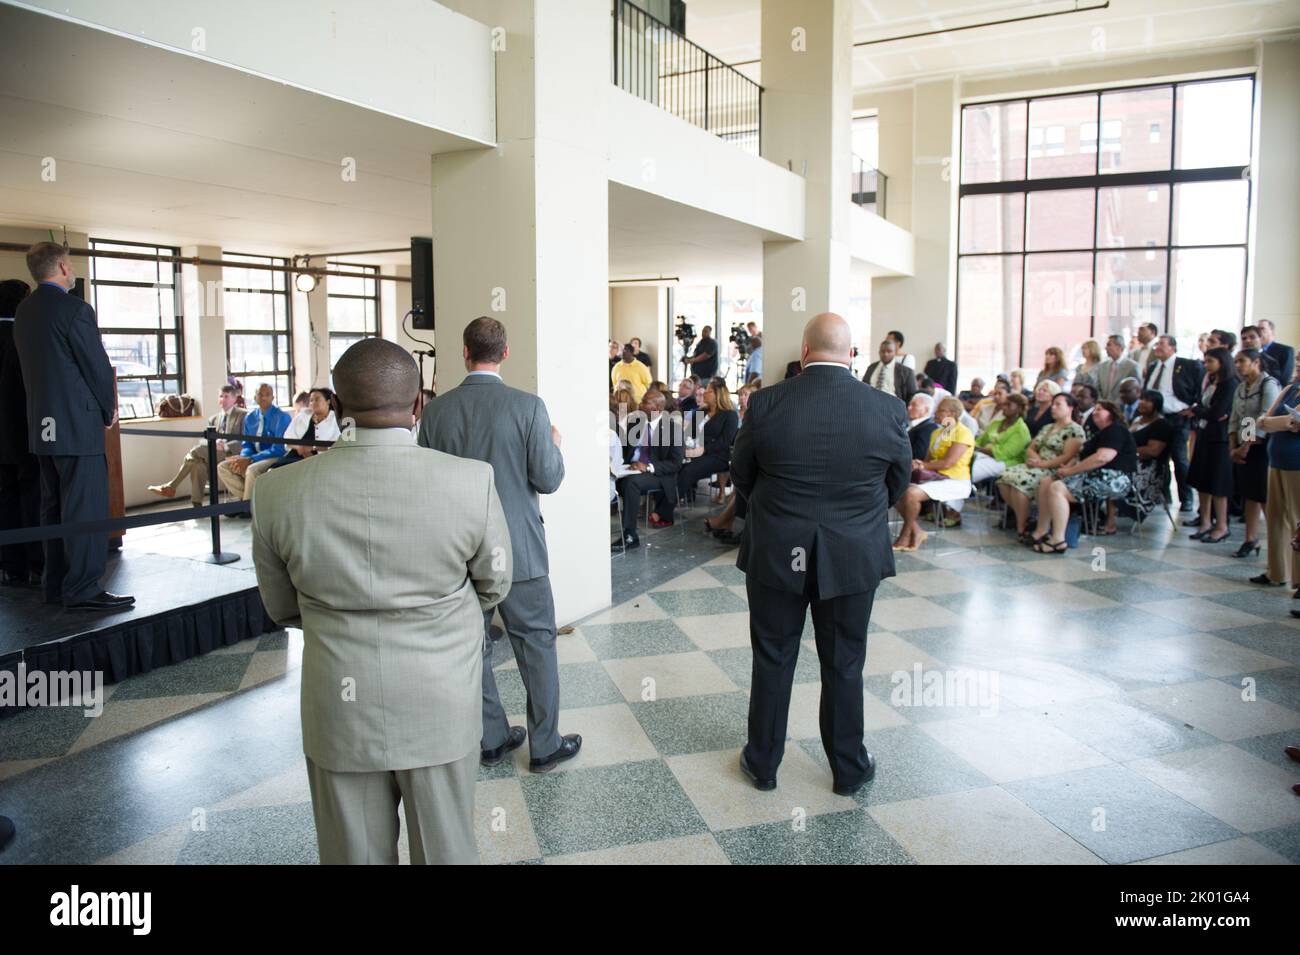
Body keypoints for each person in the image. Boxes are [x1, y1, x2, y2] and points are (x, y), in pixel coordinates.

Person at [252, 338, 510, 864]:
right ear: (419, 405)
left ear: (338, 407)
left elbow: (282, 606)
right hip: (438, 703)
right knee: (447, 853)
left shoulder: (277, 492)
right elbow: (494, 584)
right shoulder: (470, 481)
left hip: (338, 709)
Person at [731, 312, 910, 796]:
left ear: (805, 352)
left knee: (772, 656)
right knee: (845, 661)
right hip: (852, 555)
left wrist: (774, 513)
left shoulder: (765, 404)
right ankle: (848, 769)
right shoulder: (888, 409)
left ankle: (763, 763)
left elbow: (742, 476)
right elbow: (897, 483)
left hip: (777, 553)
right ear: (852, 354)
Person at [419, 317, 580, 773]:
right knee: (537, 644)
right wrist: (555, 445)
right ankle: (545, 745)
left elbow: (428, 482)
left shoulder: (436, 412)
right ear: (505, 353)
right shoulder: (529, 407)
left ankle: (491, 738)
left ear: (464, 353)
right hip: (519, 550)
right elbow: (547, 479)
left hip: (457, 551)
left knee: (473, 647)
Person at [13, 243, 132, 612]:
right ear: (63, 267)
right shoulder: (75, 309)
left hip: (42, 425)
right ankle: (82, 588)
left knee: (53, 506)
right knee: (85, 508)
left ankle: (55, 583)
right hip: (76, 426)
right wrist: (108, 408)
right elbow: (95, 365)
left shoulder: (25, 309)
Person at [1029, 400, 1137, 548]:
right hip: (1096, 475)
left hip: (1115, 479)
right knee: (1047, 481)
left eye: (1100, 409)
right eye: (1095, 409)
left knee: (1057, 488)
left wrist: (1070, 471)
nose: (1095, 412)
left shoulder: (1116, 430)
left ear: (1111, 414)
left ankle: (1057, 540)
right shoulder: (1101, 433)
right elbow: (1081, 456)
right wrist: (1068, 467)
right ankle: (1041, 530)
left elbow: (1102, 458)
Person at [0, 278, 43, 587]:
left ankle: (10, 565)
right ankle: (37, 563)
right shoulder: (23, 337)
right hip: (23, 432)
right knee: (33, 496)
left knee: (5, 500)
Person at [997, 393, 1085, 539]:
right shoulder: (1048, 427)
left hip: (1054, 467)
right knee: (1004, 477)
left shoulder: (1074, 430)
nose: (1054, 408)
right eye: (1053, 404)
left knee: (1019, 484)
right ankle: (1025, 519)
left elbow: (1068, 456)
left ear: (1070, 408)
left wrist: (1044, 464)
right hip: (1036, 463)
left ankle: (1022, 526)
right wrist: (1037, 460)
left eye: (1058, 405)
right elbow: (1031, 447)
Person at [894, 396, 974, 549]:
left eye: (940, 410)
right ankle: (916, 531)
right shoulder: (938, 433)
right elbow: (929, 460)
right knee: (895, 490)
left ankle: (906, 534)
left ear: (951, 413)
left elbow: (948, 462)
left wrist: (921, 465)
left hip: (955, 480)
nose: (935, 413)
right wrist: (920, 464)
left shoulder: (963, 433)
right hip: (936, 478)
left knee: (910, 494)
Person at [658, 377, 738, 525]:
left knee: (688, 470)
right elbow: (688, 433)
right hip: (693, 451)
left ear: (716, 394)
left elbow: (725, 441)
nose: (703, 393)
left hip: (716, 456)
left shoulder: (730, 415)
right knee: (673, 466)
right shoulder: (701, 411)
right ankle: (661, 507)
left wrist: (703, 449)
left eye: (708, 391)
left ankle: (664, 512)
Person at [148, 384, 247, 503]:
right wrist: (214, 443)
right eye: (221, 396)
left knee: (196, 451)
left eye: (226, 396)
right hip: (213, 453)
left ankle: (172, 486)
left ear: (234, 398)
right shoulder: (214, 419)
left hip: (231, 453)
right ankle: (197, 505)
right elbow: (206, 439)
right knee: (196, 464)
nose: (223, 400)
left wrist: (225, 446)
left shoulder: (242, 415)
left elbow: (244, 440)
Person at [1141, 334, 1203, 512]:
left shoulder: (1187, 365)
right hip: (1157, 419)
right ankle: (1161, 494)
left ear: (1173, 347)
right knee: (1159, 457)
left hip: (1178, 417)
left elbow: (1199, 389)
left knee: (1179, 458)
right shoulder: (1153, 366)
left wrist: (1194, 409)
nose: (1157, 347)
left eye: (1162, 344)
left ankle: (1186, 498)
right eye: (1157, 344)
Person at [613, 390, 683, 549]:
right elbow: (625, 451)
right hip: (631, 469)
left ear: (657, 407)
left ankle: (630, 535)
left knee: (630, 484)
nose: (640, 404)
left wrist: (648, 466)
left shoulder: (673, 429)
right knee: (614, 481)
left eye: (645, 402)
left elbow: (676, 463)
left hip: (658, 474)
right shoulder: (635, 423)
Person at [1253, 361, 1300, 594]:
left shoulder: (1271, 384)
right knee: (1275, 518)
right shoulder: (1289, 389)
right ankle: (1276, 571)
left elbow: (1296, 424)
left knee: (1296, 521)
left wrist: (1272, 423)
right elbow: (1262, 420)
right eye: (1299, 359)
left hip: (1297, 464)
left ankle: (1298, 580)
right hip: (1276, 460)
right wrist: (1280, 423)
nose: (1298, 364)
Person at [1229, 349, 1279, 558]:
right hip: (1243, 445)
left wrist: (1246, 445)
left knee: (1264, 495)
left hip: (1261, 448)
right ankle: (1250, 539)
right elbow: (1236, 417)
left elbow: (1263, 416)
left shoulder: (1268, 385)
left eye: (1242, 361)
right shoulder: (1242, 386)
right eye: (1236, 362)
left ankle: (1277, 546)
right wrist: (1233, 445)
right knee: (1249, 495)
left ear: (1256, 362)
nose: (1238, 365)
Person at [1186, 347, 1236, 544]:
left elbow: (1218, 413)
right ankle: (1205, 522)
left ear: (1222, 362)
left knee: (1217, 484)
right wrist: (1202, 410)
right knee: (1202, 480)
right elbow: (1203, 407)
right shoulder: (1213, 381)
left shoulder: (1231, 384)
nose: (1206, 365)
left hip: (1220, 439)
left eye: (1210, 361)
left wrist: (1199, 411)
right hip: (1205, 434)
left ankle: (1221, 525)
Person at [216, 383, 292, 508]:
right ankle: (253, 503)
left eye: (267, 395)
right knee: (223, 467)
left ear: (273, 397)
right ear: (255, 397)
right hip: (253, 456)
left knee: (252, 469)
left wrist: (250, 460)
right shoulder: (250, 417)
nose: (263, 398)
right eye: (260, 394)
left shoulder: (282, 417)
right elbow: (247, 445)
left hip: (274, 456)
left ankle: (247, 508)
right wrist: (243, 458)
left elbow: (278, 449)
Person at [273, 386, 340, 468]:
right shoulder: (302, 416)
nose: (313, 403)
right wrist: (300, 448)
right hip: (296, 456)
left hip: (321, 460)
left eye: (317, 399)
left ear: (328, 402)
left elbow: (336, 446)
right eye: (311, 400)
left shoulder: (336, 420)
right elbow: (288, 439)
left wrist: (312, 448)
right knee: (273, 470)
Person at [1130, 389, 1174, 512]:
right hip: (1133, 462)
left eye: (1148, 400)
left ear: (1157, 404)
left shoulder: (1162, 425)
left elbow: (1153, 451)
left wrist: (1128, 451)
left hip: (1150, 469)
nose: (1142, 403)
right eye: (1141, 399)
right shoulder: (1136, 421)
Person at [972, 392, 1030, 484]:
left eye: (1008, 405)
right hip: (984, 455)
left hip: (1006, 462)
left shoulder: (1021, 430)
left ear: (1019, 408)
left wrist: (977, 449)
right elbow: (980, 441)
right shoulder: (997, 423)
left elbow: (1002, 454)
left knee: (971, 469)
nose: (1004, 407)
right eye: (1004, 404)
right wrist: (973, 447)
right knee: (960, 460)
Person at [862, 337, 917, 405]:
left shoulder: (906, 371)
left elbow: (912, 394)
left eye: (889, 351)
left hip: (894, 407)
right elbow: (863, 388)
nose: (885, 354)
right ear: (879, 352)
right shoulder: (871, 368)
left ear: (894, 352)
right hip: (871, 405)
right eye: (883, 351)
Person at [1096, 334, 1140, 402]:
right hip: (1103, 406)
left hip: (1121, 408)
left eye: (1109, 345)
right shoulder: (1102, 366)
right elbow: (1097, 387)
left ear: (1119, 347)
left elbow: (1133, 391)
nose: (1106, 348)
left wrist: (1115, 405)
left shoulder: (1132, 366)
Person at [1257, 319, 1295, 387]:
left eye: (1262, 328)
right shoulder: (1256, 352)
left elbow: (1285, 379)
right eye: (1257, 329)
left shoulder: (1285, 350)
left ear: (1272, 332)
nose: (1259, 332)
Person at [906, 393, 939, 462]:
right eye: (910, 404)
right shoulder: (909, 423)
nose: (909, 408)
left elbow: (919, 454)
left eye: (914, 405)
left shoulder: (929, 427)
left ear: (926, 410)